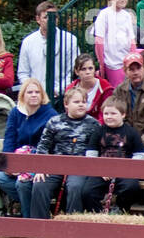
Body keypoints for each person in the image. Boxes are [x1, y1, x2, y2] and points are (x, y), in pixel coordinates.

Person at [27, 87, 101, 218]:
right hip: (55, 165)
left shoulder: (94, 125)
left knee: (75, 187)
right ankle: (38, 224)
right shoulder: (54, 122)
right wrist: (40, 168)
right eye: (76, 102)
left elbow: (98, 150)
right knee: (40, 185)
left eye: (84, 102)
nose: (81, 105)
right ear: (66, 104)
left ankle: (73, 225)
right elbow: (43, 146)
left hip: (80, 168)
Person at [0, 78, 57, 215]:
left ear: (42, 95)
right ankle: (31, 202)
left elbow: (49, 146)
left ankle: (28, 218)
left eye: (37, 92)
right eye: (30, 92)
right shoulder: (15, 112)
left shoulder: (51, 115)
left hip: (38, 163)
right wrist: (8, 165)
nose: (34, 95)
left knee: (22, 184)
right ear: (23, 95)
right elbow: (9, 139)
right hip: (17, 159)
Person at [80, 96, 144, 213]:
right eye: (106, 114)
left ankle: (119, 209)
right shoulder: (98, 131)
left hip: (125, 171)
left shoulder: (132, 132)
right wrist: (99, 169)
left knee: (131, 188)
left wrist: (127, 169)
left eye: (113, 114)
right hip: (102, 172)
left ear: (123, 115)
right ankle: (96, 214)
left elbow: (139, 155)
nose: (109, 117)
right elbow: (91, 154)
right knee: (87, 191)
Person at [17, 1, 78, 95]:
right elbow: (23, 73)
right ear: (38, 19)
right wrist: (34, 91)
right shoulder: (28, 42)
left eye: (55, 17)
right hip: (35, 96)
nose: (51, 20)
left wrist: (58, 90)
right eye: (46, 17)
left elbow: (73, 71)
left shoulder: (70, 40)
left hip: (62, 95)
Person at [93, 0, 137, 86]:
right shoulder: (104, 14)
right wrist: (101, 63)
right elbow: (99, 40)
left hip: (126, 60)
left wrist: (132, 58)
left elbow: (131, 39)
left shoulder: (126, 15)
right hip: (112, 61)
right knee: (118, 90)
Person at [68, 53, 113, 118]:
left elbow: (106, 112)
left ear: (95, 70)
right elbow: (69, 111)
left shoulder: (105, 88)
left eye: (90, 68)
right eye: (83, 69)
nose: (87, 72)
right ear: (76, 72)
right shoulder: (71, 89)